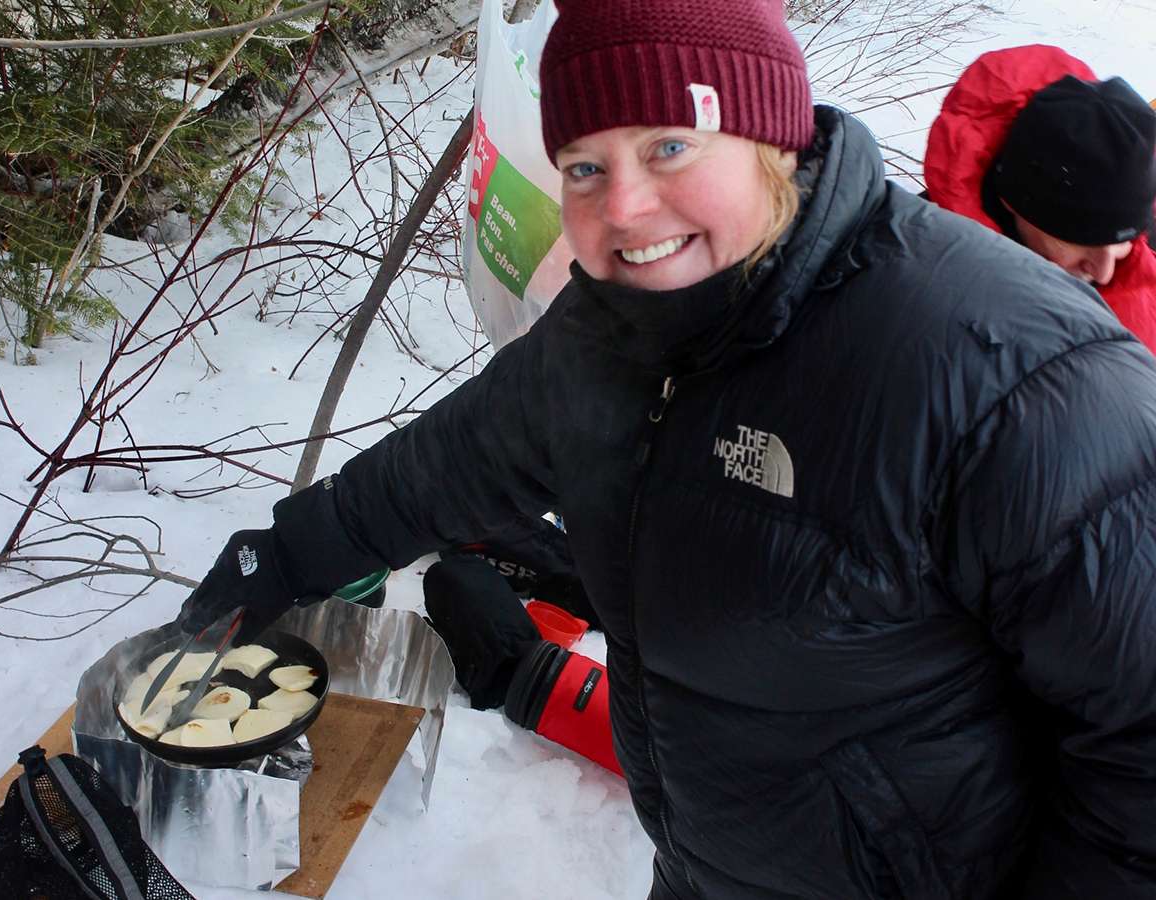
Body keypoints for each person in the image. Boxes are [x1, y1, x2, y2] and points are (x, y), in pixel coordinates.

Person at [179, 1, 1156, 897]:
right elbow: (459, 457)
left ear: (773, 133)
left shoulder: (1013, 377)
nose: (625, 207)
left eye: (670, 144)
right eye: (585, 166)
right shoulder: (613, 327)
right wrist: (291, 553)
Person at [925, 44, 1156, 351]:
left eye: (1121, 243)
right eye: (1083, 239)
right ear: (1014, 201)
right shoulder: (925, 277)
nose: (1105, 271)